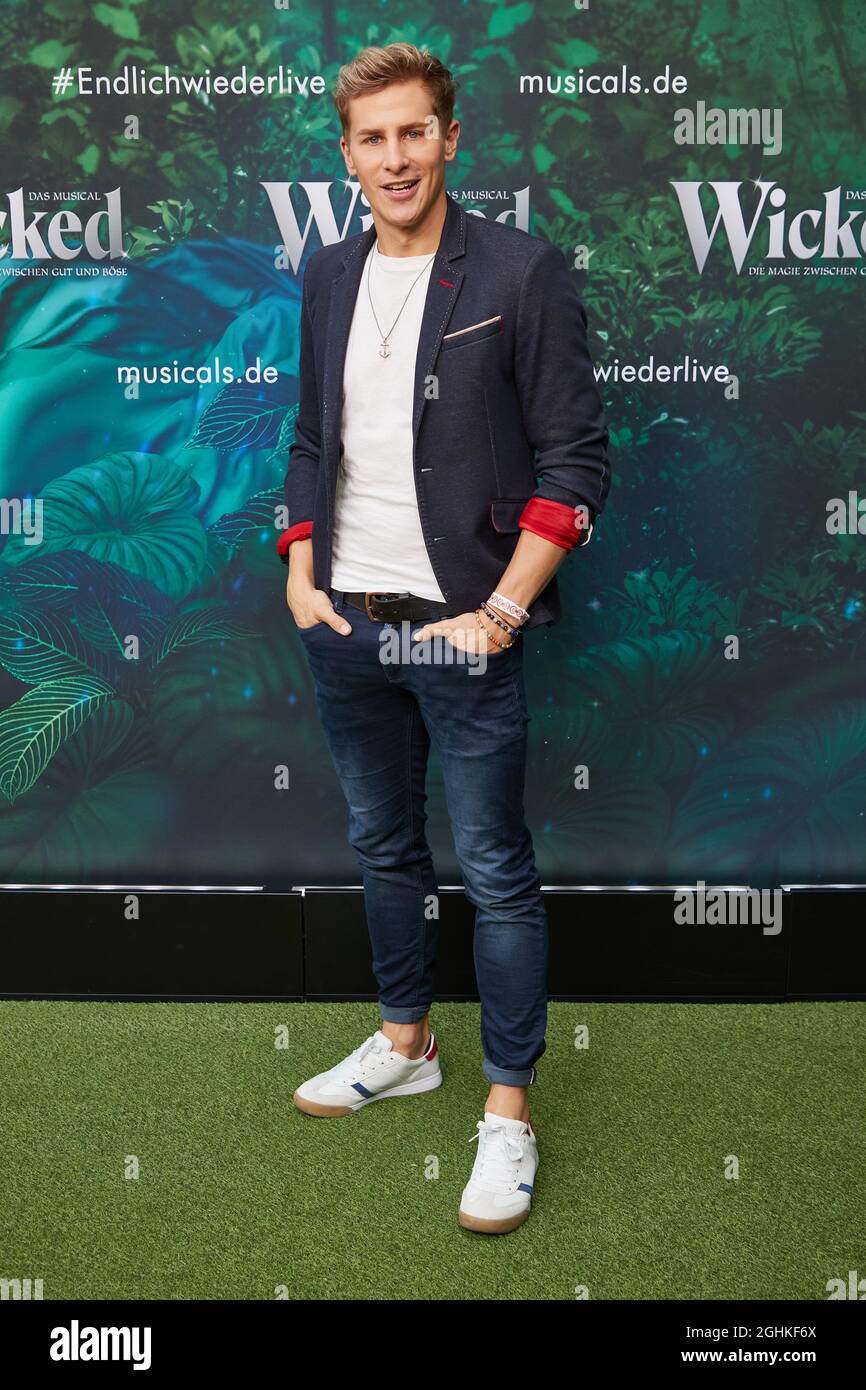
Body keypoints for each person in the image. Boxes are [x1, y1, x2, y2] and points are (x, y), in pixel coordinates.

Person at [279, 42, 610, 1234]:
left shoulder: (521, 273)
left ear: (450, 137)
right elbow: (311, 435)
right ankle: (404, 1041)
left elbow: (576, 464)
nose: (394, 156)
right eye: (371, 138)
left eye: (413, 132)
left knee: (496, 872)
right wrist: (300, 569)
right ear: (346, 154)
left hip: (466, 636)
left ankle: (507, 1113)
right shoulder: (324, 274)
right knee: (382, 846)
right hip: (346, 628)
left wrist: (502, 614)